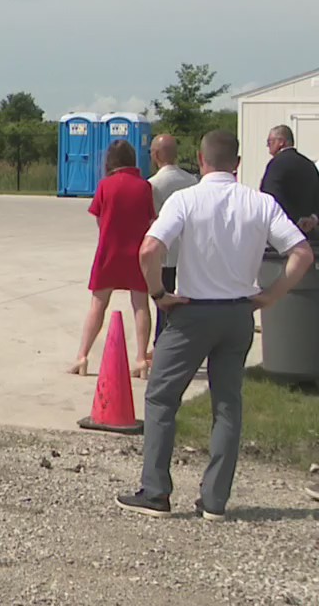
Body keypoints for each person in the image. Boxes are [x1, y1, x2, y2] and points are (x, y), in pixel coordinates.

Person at [116, 130, 316, 520]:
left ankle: (156, 491)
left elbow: (149, 249)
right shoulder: (261, 203)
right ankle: (214, 500)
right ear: (237, 164)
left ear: (200, 159)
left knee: (161, 398)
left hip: (192, 311)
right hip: (239, 312)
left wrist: (158, 293)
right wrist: (271, 296)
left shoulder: (186, 199)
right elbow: (302, 253)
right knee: (227, 404)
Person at [73, 140, 156, 377]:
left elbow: (99, 219)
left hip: (109, 251)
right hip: (136, 252)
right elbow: (150, 219)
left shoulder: (105, 185)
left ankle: (82, 356)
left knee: (97, 305)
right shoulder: (144, 187)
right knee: (140, 304)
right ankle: (141, 359)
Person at [147, 135, 198, 343]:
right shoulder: (192, 181)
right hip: (189, 252)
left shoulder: (153, 184)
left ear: (156, 155)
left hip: (166, 254)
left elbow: (152, 219)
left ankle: (162, 343)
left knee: (164, 306)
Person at [259, 125, 319, 239]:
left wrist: (296, 219)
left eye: (270, 142)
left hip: (285, 233)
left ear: (281, 142)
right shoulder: (309, 164)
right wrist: (313, 218)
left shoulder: (276, 164)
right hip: (311, 233)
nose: (268, 146)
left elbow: (270, 196)